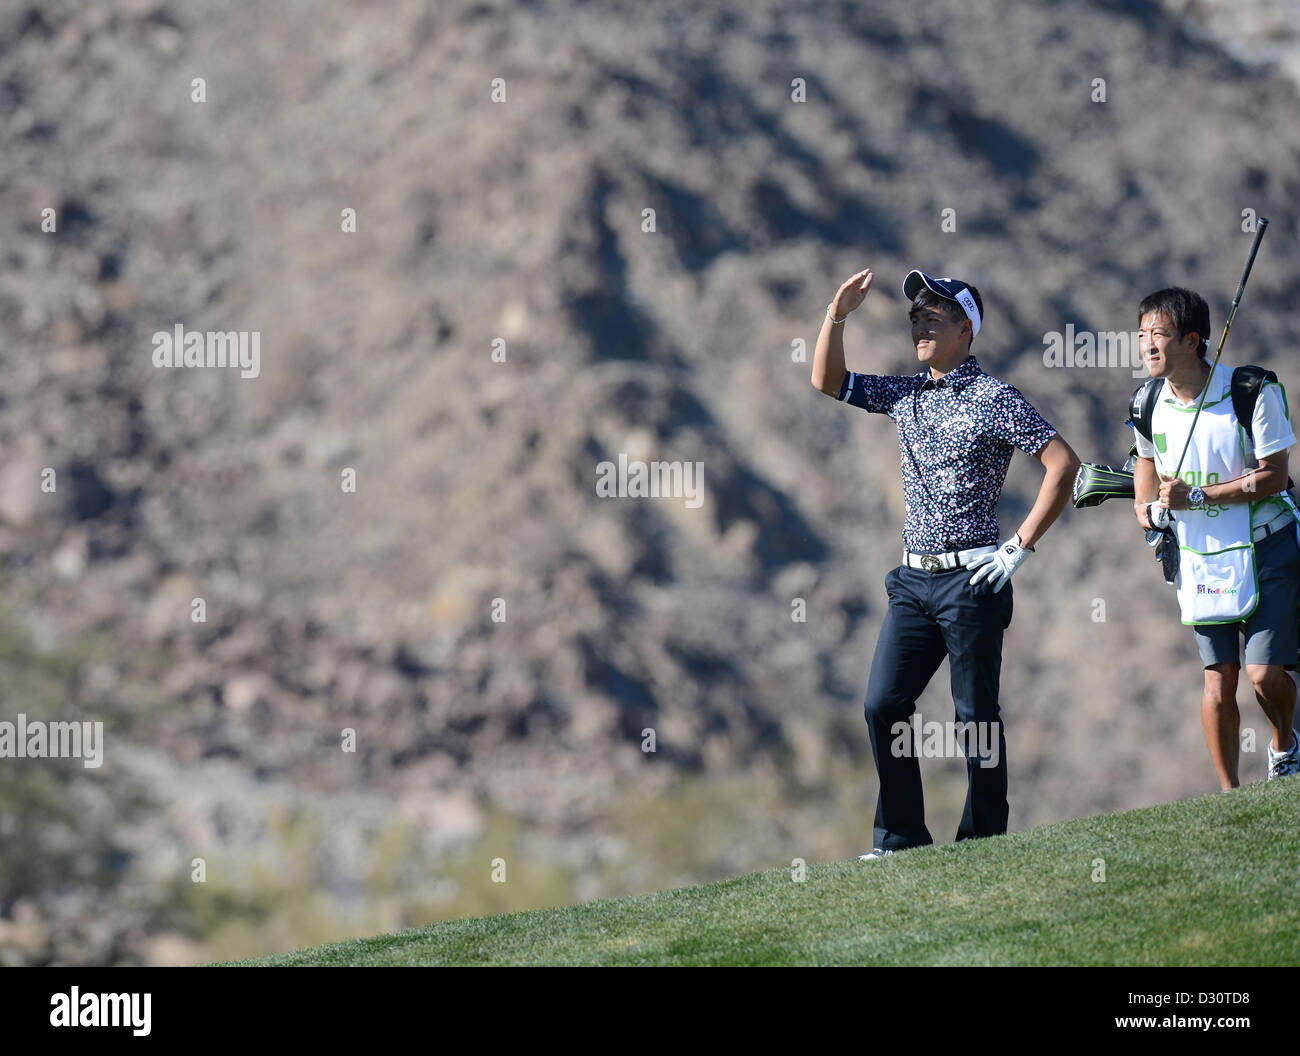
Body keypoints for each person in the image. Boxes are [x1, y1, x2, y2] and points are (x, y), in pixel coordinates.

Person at [812, 267, 1079, 858]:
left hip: (972, 579)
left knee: (974, 715)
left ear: (966, 328)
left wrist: (1019, 546)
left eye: (933, 316)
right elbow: (826, 380)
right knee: (883, 703)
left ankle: (983, 839)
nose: (919, 325)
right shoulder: (905, 394)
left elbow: (1064, 465)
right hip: (912, 580)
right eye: (915, 317)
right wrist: (837, 314)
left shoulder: (994, 398)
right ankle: (901, 837)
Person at [1131, 286, 1300, 788]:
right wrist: (1146, 511)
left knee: (1263, 675)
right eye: (1141, 335)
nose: (1146, 346)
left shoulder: (1252, 390)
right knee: (1217, 679)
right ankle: (1229, 795)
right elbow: (1144, 459)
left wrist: (1198, 498)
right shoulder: (1147, 402)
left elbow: (1274, 476)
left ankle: (1284, 745)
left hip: (1267, 545)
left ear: (1193, 340)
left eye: (1158, 335)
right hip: (1200, 555)